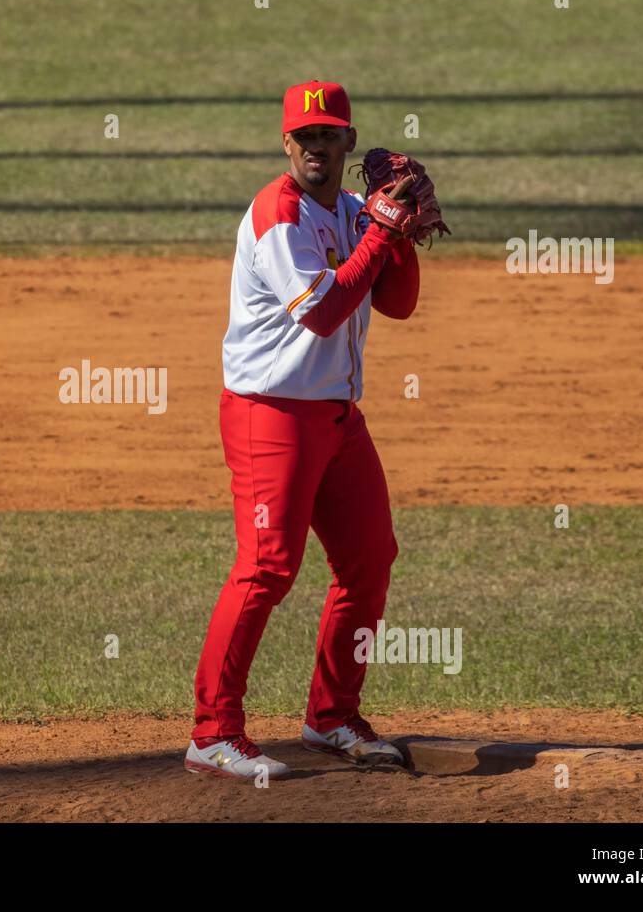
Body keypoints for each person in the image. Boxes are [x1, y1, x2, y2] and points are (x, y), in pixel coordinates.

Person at [183, 80, 421, 780]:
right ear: (287, 142)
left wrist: (398, 233)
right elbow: (320, 311)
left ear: (349, 141)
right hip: (271, 415)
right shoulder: (277, 216)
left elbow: (399, 303)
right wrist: (382, 230)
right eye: (306, 136)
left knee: (370, 558)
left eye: (330, 135)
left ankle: (331, 717)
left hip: (338, 419)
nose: (318, 147)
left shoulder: (353, 211)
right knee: (266, 569)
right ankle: (212, 732)